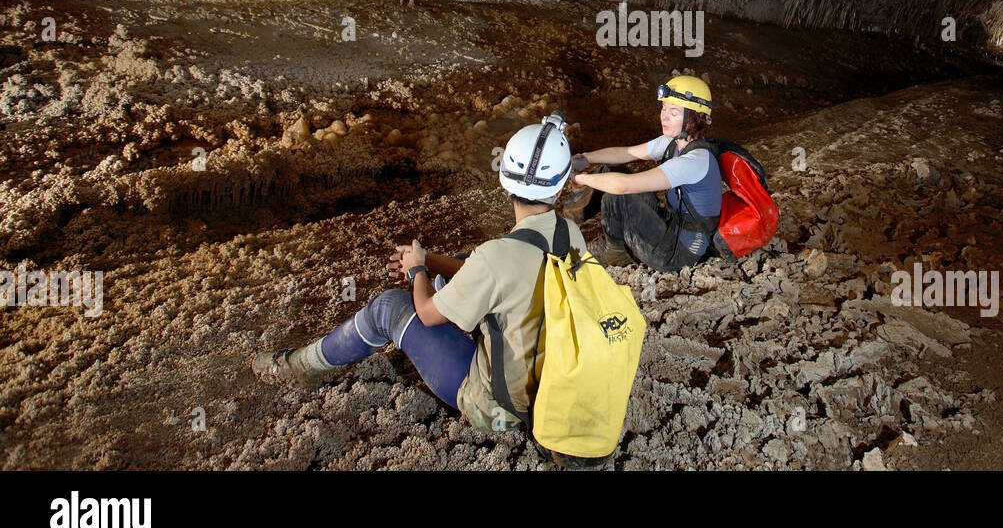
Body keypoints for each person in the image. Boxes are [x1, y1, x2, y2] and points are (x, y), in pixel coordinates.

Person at [251, 113, 587, 460]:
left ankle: (296, 367)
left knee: (389, 308)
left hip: (503, 410)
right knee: (462, 262)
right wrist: (429, 261)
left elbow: (427, 313)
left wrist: (416, 274)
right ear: (560, 187)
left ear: (504, 181)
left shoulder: (495, 258)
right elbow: (497, 271)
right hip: (552, 386)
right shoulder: (570, 235)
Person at [571, 75, 722, 272]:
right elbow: (625, 153)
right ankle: (564, 223)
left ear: (694, 118)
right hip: (671, 224)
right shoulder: (672, 142)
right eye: (664, 108)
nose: (664, 117)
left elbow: (623, 186)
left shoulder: (696, 160)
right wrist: (584, 158)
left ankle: (614, 251)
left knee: (619, 196)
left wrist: (579, 178)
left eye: (673, 112)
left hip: (679, 253)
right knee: (610, 170)